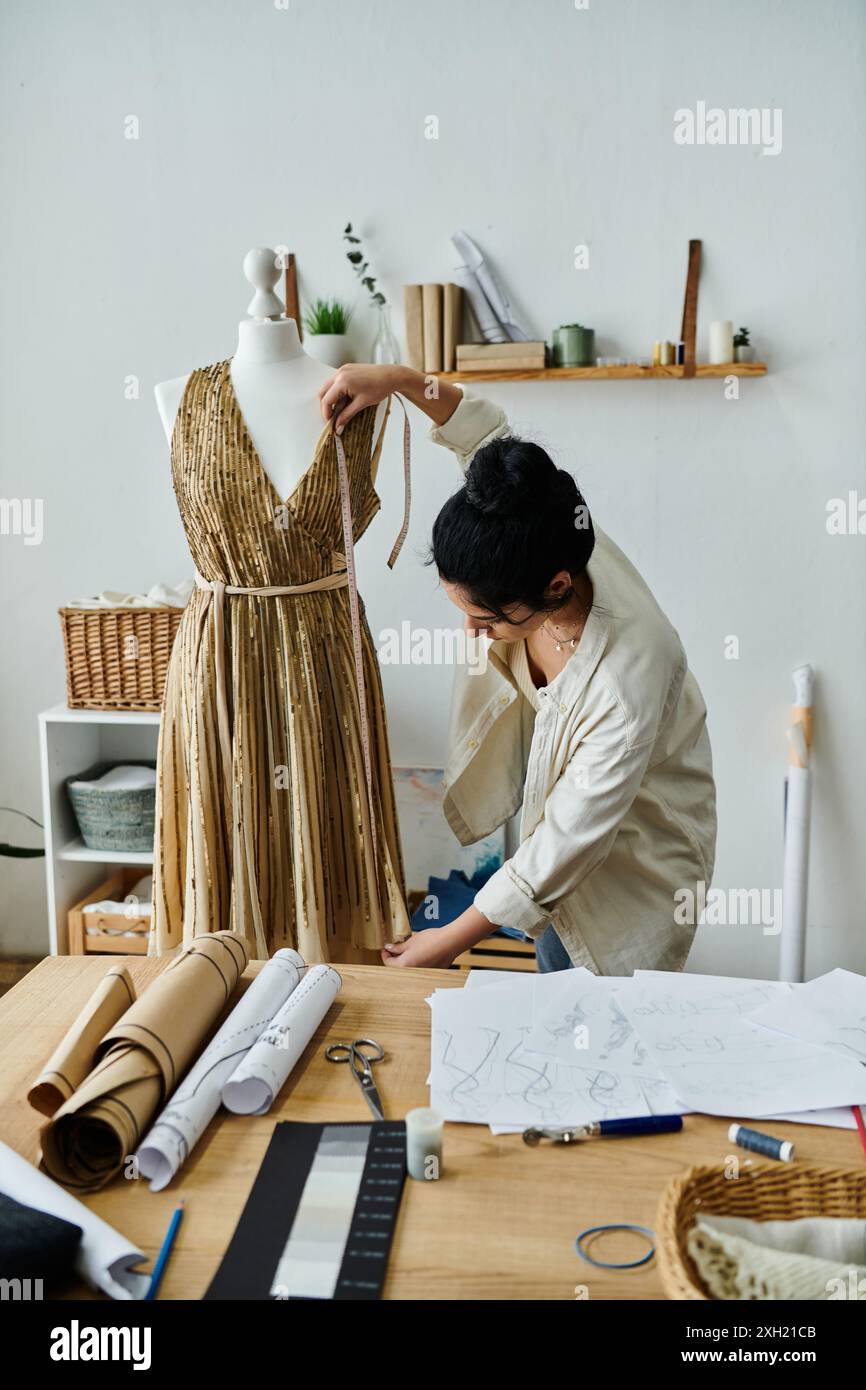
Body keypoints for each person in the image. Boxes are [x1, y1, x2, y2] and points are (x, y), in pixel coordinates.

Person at [319, 365, 717, 974]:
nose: (474, 634)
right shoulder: (543, 527)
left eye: (488, 619)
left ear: (555, 588)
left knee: (591, 1006)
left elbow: (565, 844)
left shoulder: (628, 679)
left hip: (634, 865)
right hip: (558, 839)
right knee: (548, 962)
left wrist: (448, 939)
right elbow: (484, 435)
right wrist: (398, 380)